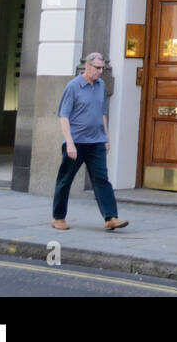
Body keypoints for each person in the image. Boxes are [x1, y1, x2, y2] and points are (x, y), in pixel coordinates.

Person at [51, 53, 128, 231]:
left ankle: (111, 217)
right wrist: (69, 143)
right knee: (65, 180)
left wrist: (106, 138)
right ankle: (58, 217)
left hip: (96, 142)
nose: (101, 72)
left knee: (102, 179)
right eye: (98, 68)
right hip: (76, 142)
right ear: (87, 66)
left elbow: (102, 113)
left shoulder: (100, 85)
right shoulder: (73, 87)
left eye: (103, 68)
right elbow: (64, 116)